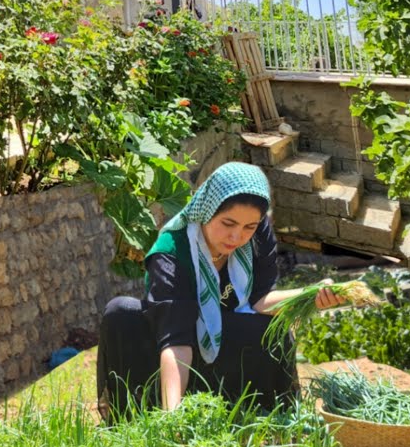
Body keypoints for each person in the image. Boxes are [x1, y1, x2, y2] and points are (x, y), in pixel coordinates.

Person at [96, 162, 348, 418]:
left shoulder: (257, 235)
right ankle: (139, 410)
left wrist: (311, 296)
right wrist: (172, 418)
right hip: (169, 349)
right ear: (207, 210)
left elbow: (260, 301)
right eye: (228, 223)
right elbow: (176, 341)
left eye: (249, 227)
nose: (237, 237)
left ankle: (257, 414)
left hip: (220, 340)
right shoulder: (173, 250)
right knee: (121, 314)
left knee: (274, 331)